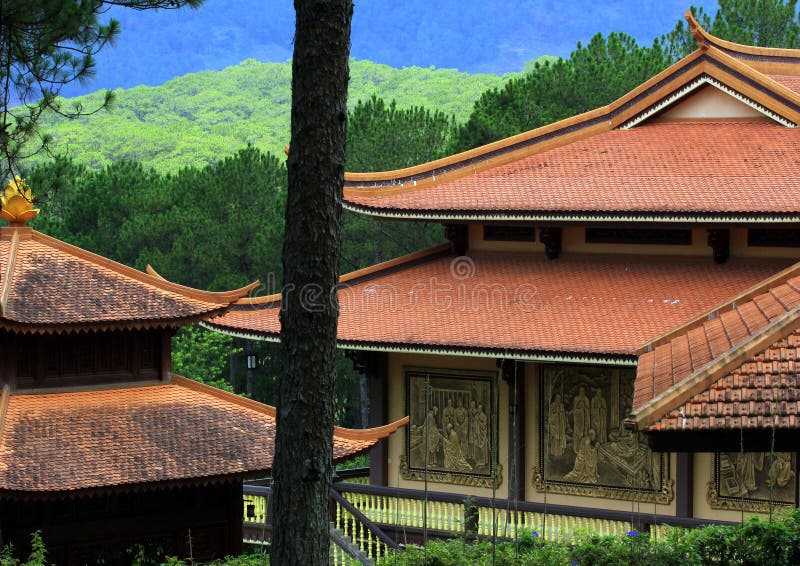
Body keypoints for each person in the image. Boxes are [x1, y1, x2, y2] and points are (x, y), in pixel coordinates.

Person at [572, 387, 591, 453]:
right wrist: (580, 409)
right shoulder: (576, 399)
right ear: (579, 391)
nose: (582, 392)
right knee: (578, 434)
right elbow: (574, 410)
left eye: (583, 391)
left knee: (585, 434)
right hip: (578, 421)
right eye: (581, 391)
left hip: (585, 421)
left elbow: (588, 410)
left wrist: (585, 409)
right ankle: (577, 449)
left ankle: (584, 449)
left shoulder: (586, 399)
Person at [549, 393, 567, 457]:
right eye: (557, 398)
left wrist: (561, 414)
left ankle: (560, 452)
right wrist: (557, 414)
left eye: (559, 398)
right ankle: (555, 452)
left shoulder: (561, 405)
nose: (558, 400)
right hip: (555, 425)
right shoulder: (552, 406)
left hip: (561, 425)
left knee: (561, 438)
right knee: (555, 438)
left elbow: (564, 415)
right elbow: (551, 416)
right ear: (555, 398)